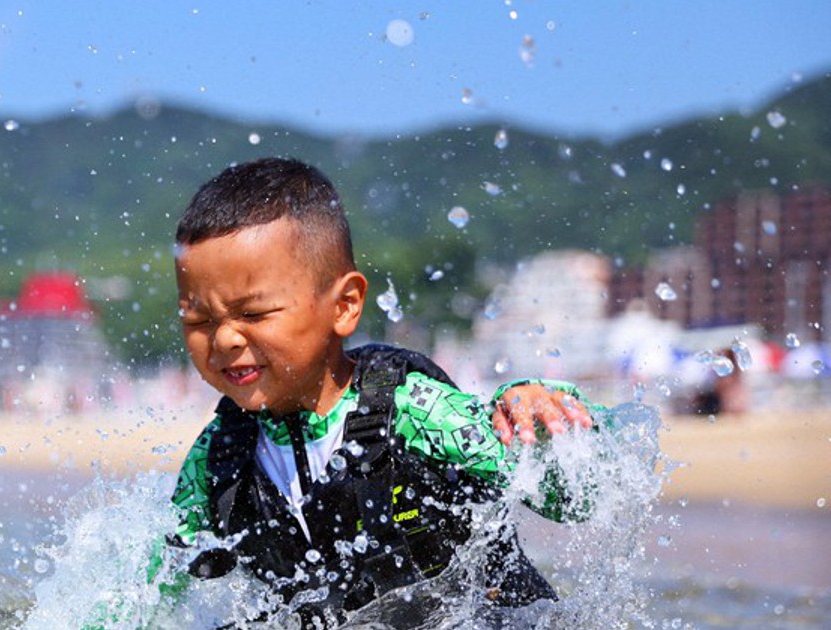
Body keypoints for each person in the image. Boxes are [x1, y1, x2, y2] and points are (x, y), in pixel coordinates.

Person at [166, 157, 601, 625]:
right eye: (199, 321)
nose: (224, 339)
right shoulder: (219, 457)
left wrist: (542, 410)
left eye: (252, 314)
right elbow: (154, 585)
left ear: (345, 305)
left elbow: (574, 499)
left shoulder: (413, 412)